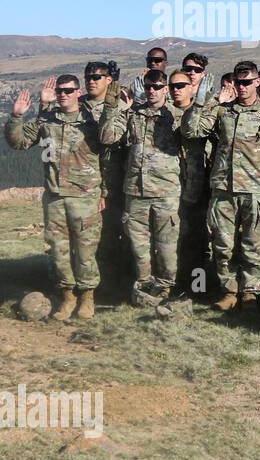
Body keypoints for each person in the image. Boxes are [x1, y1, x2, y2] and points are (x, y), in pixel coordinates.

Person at [181, 61, 260, 310]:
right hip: (224, 188)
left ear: (257, 83)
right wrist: (202, 102)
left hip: (255, 187)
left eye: (247, 82)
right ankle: (229, 290)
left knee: (253, 244)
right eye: (238, 82)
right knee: (223, 244)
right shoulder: (222, 111)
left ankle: (250, 291)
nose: (242, 87)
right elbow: (192, 131)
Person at [5, 75, 107, 320]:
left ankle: (87, 297)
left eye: (69, 90)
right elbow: (18, 142)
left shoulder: (92, 122)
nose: (63, 94)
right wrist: (16, 116)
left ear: (78, 92)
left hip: (85, 197)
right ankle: (67, 296)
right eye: (60, 90)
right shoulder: (46, 121)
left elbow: (109, 158)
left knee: (85, 252)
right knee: (58, 251)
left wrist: (105, 192)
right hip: (54, 198)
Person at [98, 69, 189, 303]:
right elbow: (108, 137)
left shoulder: (176, 116)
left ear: (165, 89)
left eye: (157, 87)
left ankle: (166, 288)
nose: (152, 91)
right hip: (135, 191)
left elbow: (191, 137)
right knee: (139, 247)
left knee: (166, 246)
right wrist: (112, 105)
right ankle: (144, 287)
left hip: (165, 191)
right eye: (148, 86)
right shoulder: (132, 115)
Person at [81, 61, 129, 299]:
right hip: (87, 183)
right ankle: (95, 286)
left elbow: (110, 138)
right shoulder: (78, 106)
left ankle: (115, 283)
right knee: (93, 237)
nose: (91, 80)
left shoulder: (120, 106)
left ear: (109, 80)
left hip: (116, 179)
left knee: (118, 234)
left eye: (97, 77)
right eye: (88, 76)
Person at [167, 70, 211, 295]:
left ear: (192, 88)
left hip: (199, 187)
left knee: (198, 242)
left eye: (182, 85)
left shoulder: (204, 111)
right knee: (174, 241)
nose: (177, 89)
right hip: (171, 187)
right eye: (173, 85)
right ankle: (177, 285)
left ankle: (198, 288)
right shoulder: (164, 113)